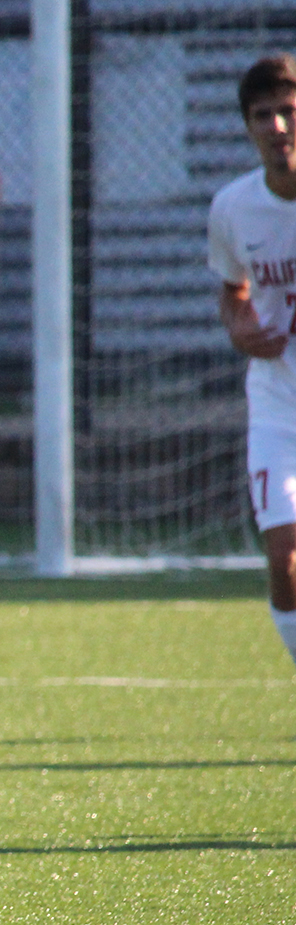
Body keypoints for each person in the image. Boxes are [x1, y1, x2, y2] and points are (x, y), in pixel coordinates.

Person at [210, 55, 296, 667]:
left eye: (288, 111)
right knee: (284, 557)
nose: (277, 127)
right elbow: (232, 290)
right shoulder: (232, 208)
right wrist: (239, 327)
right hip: (278, 406)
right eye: (263, 115)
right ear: (248, 127)